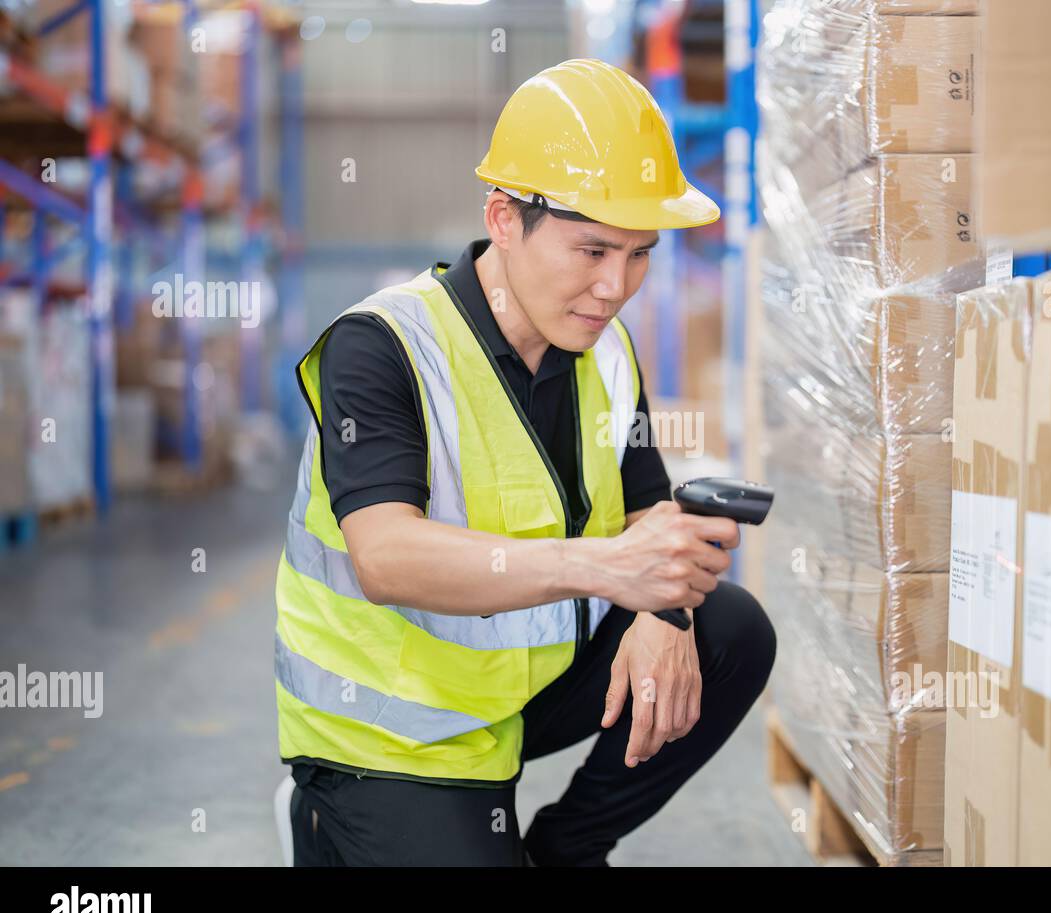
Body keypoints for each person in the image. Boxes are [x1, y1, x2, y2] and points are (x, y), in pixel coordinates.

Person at [274, 58, 776, 866]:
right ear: (504, 219)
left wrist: (663, 610)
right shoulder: (380, 346)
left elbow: (646, 503)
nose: (616, 286)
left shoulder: (603, 350)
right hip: (391, 729)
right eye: (592, 250)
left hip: (518, 690)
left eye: (639, 254)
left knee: (730, 630)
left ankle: (565, 852)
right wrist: (608, 568)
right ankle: (325, 820)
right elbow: (385, 556)